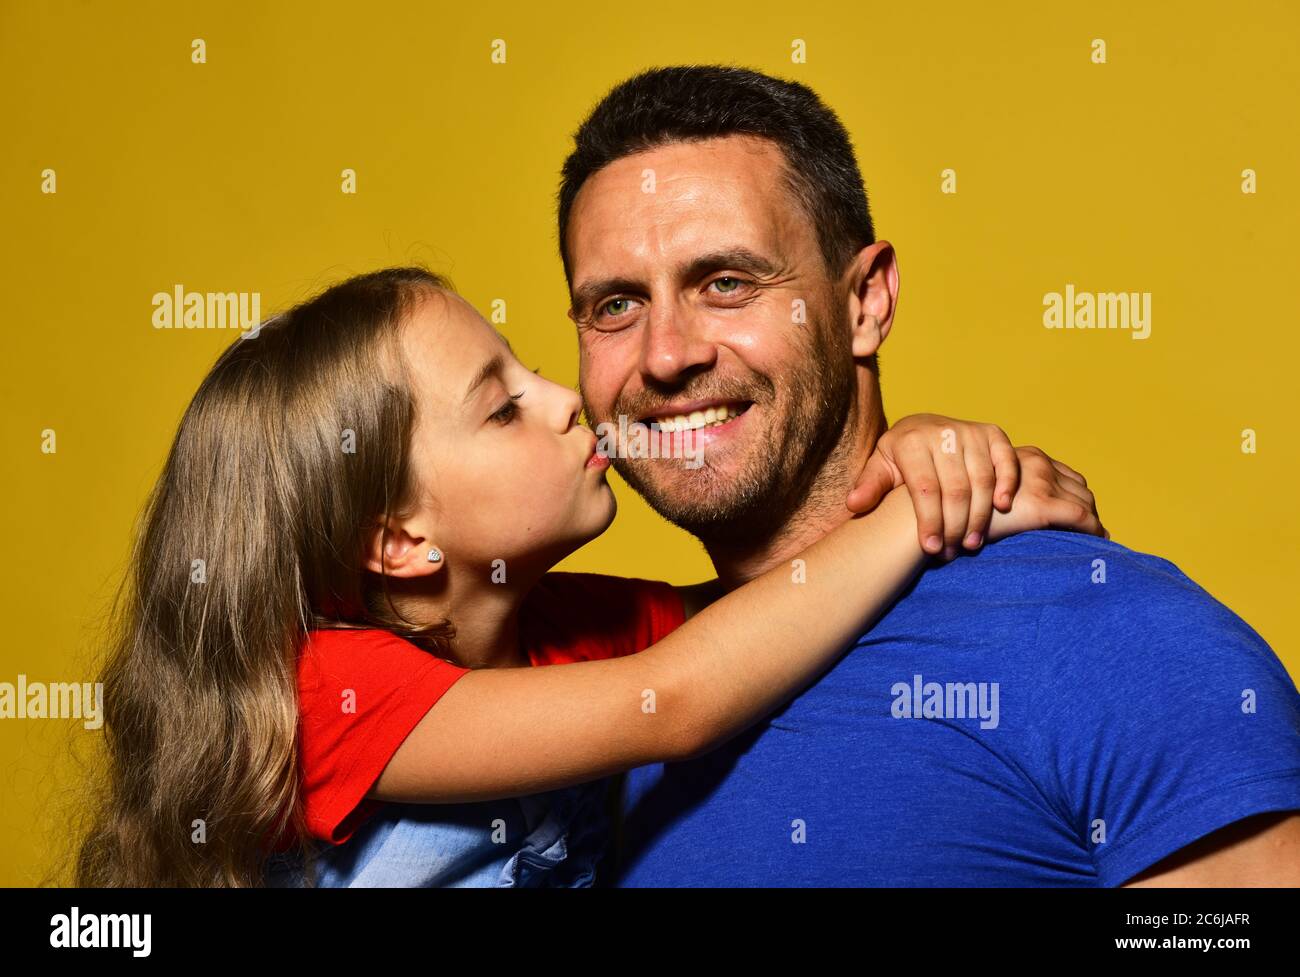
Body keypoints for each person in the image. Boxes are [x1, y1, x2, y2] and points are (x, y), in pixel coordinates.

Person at [73, 266, 1101, 887]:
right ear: (398, 538)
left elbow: (779, 605)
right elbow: (686, 698)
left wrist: (926, 458)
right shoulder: (327, 691)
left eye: (527, 367)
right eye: (502, 406)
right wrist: (918, 520)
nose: (565, 396)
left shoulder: (556, 623)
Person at [555, 65, 1300, 886]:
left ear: (866, 302)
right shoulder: (589, 688)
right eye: (616, 305)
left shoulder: (1110, 633)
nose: (666, 354)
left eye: (727, 283)